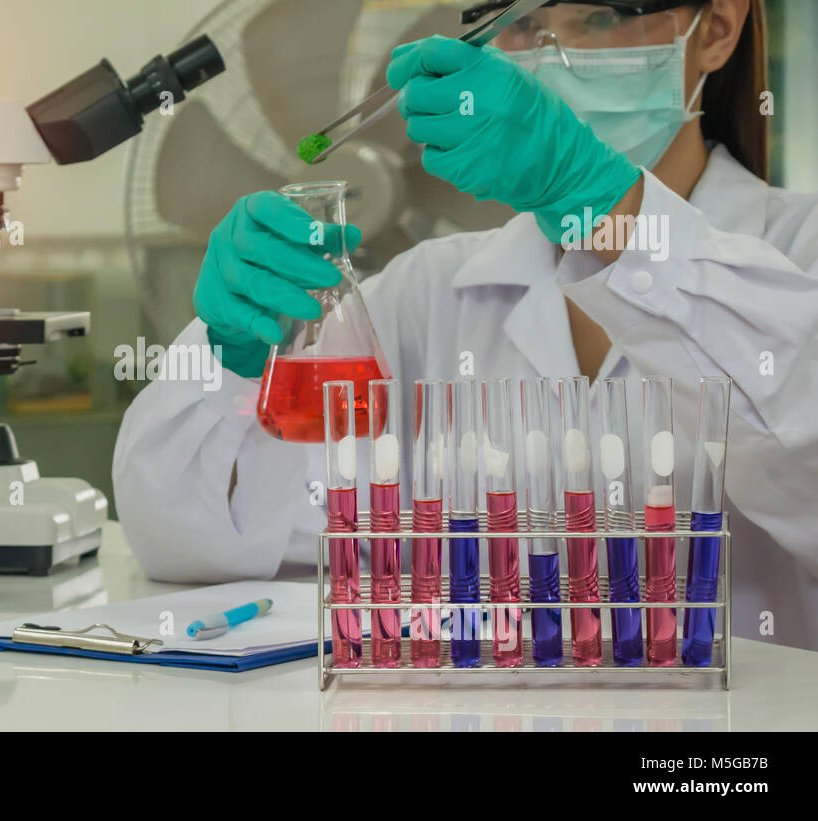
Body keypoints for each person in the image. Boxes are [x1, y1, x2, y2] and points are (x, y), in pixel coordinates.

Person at [113, 0, 818, 651]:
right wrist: (237, 360)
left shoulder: (802, 250)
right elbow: (191, 540)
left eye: (596, 18)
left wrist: (601, 200)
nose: (547, 54)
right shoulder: (427, 294)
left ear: (718, 28)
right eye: (517, 23)